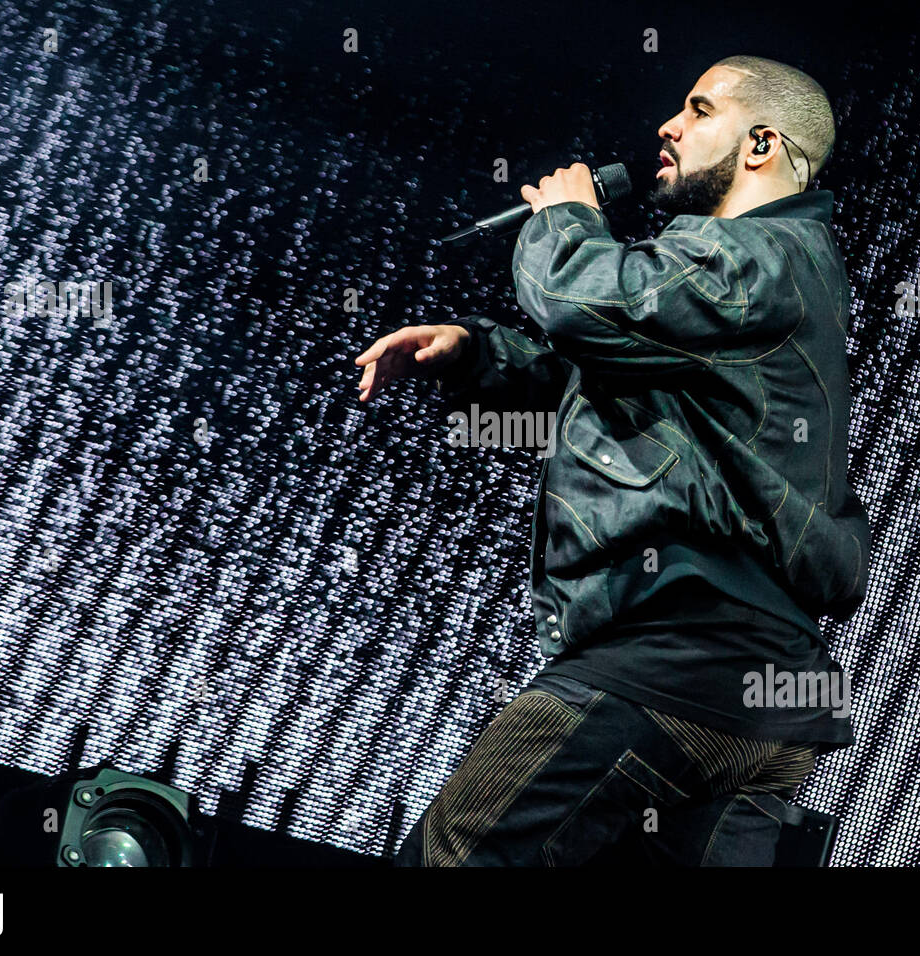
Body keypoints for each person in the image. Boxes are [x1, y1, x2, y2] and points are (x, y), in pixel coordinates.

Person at [357, 55, 871, 866]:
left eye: (700, 111)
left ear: (763, 143)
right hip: (764, 696)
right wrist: (475, 354)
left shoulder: (761, 256)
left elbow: (580, 299)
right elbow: (613, 378)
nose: (669, 125)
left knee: (458, 853)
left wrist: (565, 219)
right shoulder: (755, 275)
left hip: (672, 661)